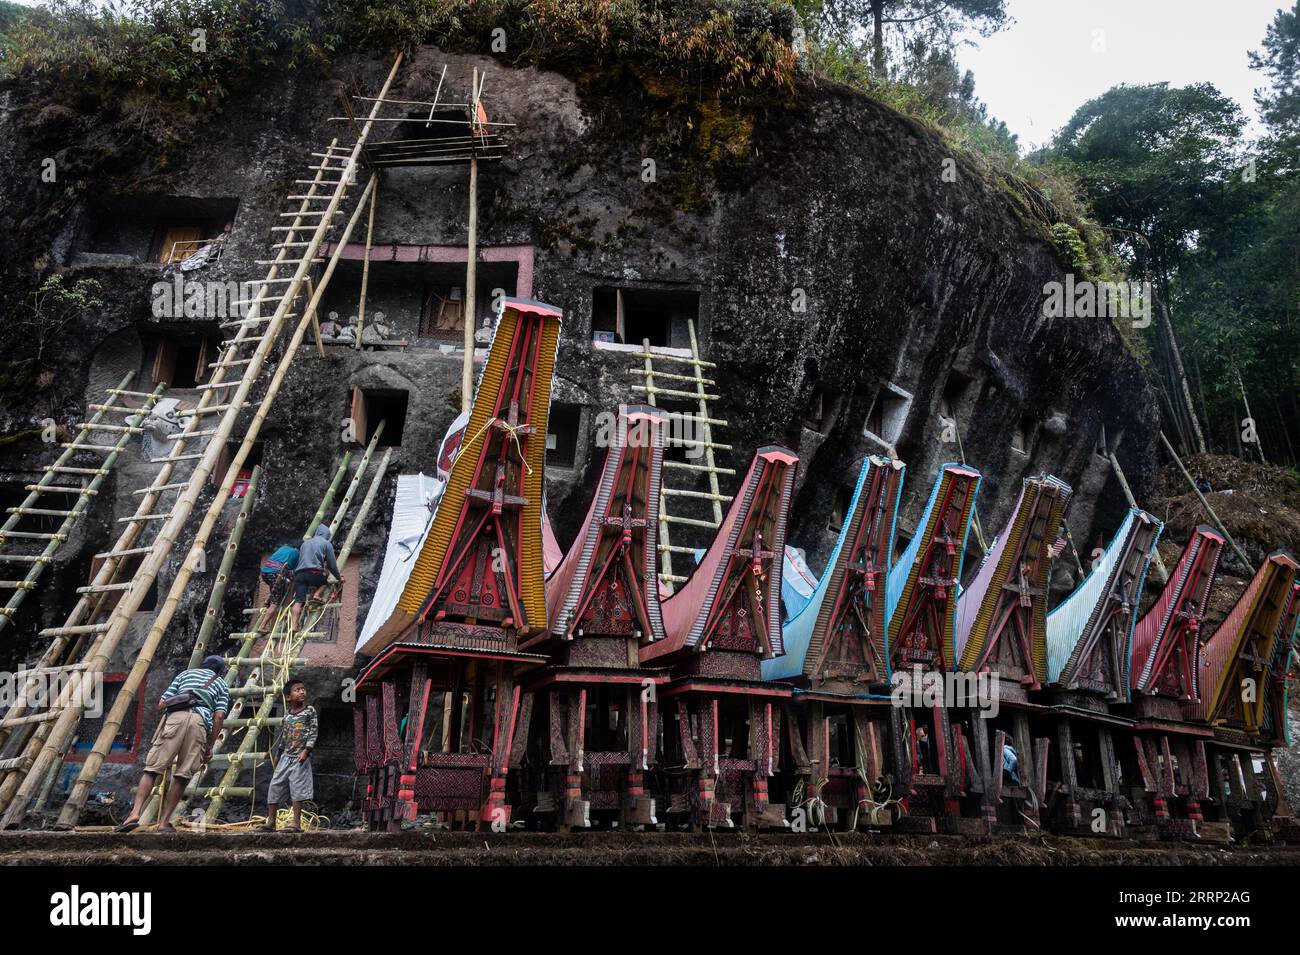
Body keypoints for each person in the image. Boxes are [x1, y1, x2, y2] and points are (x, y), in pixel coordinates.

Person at [116, 655, 230, 832]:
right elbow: (219, 716)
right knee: (183, 775)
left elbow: (162, 703)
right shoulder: (221, 684)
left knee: (152, 769)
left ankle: (135, 814)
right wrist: (209, 746)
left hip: (175, 719)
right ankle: (164, 822)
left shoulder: (185, 674)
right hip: (199, 723)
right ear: (221, 671)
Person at [261, 679, 317, 833]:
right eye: (297, 690)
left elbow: (313, 733)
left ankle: (296, 824)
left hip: (300, 757)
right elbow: (284, 737)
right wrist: (278, 754)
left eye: (303, 689)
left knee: (297, 789)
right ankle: (271, 822)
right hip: (286, 756)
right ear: (288, 697)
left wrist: (306, 751)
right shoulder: (287, 715)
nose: (302, 692)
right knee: (275, 785)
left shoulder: (309, 711)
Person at [291, 525, 340, 632]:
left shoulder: (305, 544)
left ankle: (293, 625)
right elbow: (332, 565)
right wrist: (338, 577)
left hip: (299, 575)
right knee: (324, 582)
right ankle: (317, 595)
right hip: (314, 573)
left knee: (298, 601)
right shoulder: (326, 544)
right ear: (327, 534)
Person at [257, 543, 300, 634]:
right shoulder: (296, 553)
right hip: (277, 574)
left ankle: (269, 599)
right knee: (275, 602)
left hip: (265, 573)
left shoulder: (283, 547)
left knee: (275, 589)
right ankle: (262, 626)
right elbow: (294, 569)